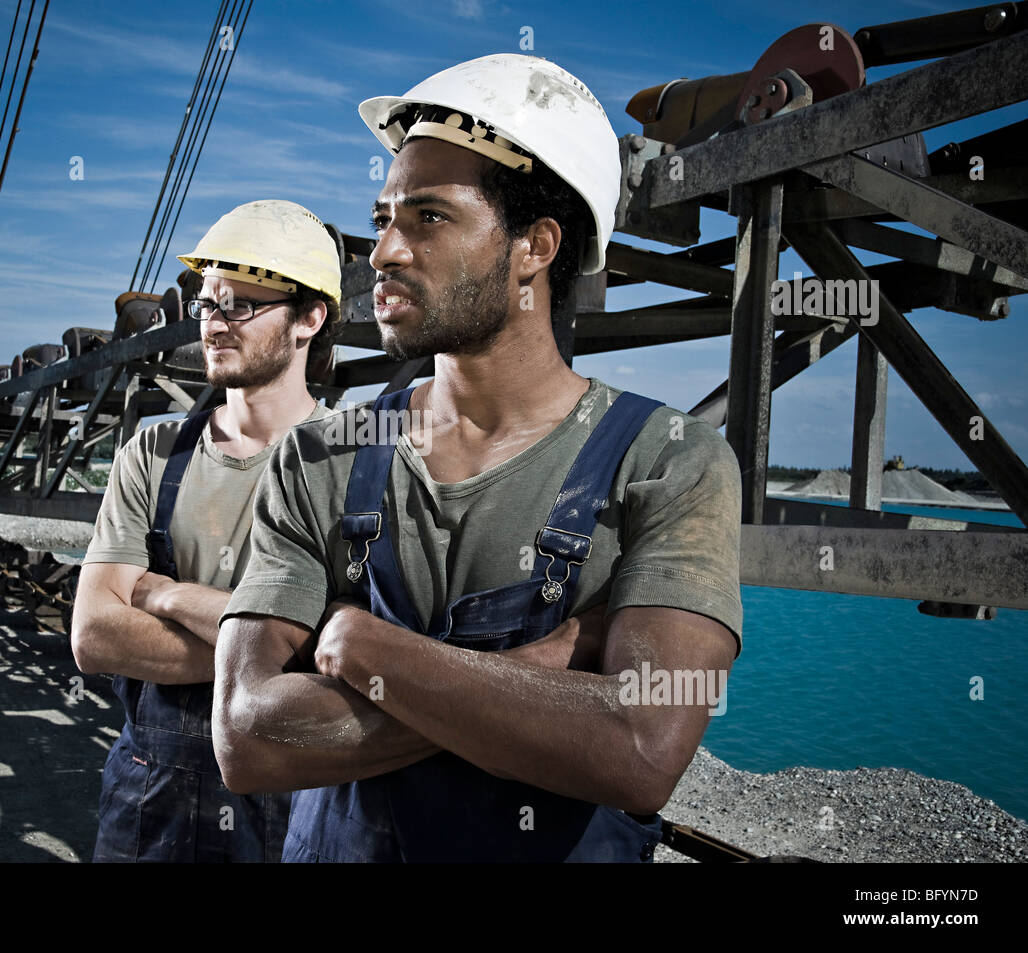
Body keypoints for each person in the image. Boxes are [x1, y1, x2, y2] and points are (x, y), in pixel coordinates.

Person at [212, 55, 743, 862]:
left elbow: (641, 749)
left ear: (535, 245)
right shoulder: (322, 455)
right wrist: (537, 670)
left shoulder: (669, 462)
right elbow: (247, 735)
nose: (383, 251)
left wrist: (370, 649)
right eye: (383, 217)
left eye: (426, 218)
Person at [71, 199, 340, 862]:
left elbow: (350, 656)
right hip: (149, 800)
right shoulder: (153, 455)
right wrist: (272, 649)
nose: (216, 324)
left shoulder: (356, 467)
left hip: (294, 802)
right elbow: (94, 635)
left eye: (241, 305)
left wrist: (168, 597)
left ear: (309, 317)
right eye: (209, 304)